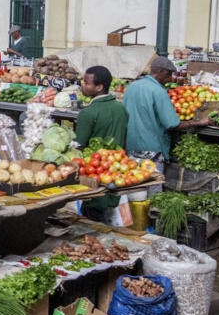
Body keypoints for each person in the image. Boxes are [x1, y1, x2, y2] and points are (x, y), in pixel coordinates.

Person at [123, 57, 210, 168]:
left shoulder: (132, 87)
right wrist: (199, 122)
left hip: (130, 149)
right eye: (168, 74)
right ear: (160, 72)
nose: (170, 79)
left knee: (135, 183)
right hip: (152, 152)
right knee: (153, 183)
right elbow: (173, 124)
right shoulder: (159, 92)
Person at [75, 66, 129, 222]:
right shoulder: (121, 109)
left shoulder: (88, 113)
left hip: (95, 173)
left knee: (94, 218)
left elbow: (80, 144)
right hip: (118, 169)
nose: (82, 85)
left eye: (86, 82)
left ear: (99, 87)